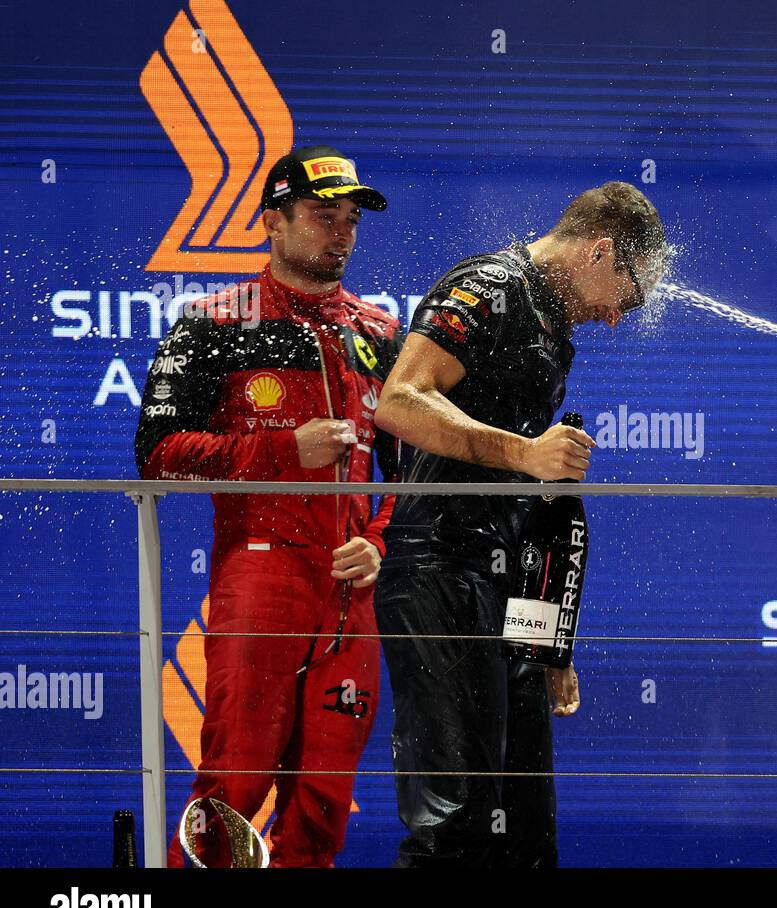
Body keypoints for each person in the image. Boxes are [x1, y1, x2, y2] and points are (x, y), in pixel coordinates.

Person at [374, 181, 668, 867]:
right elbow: (399, 400)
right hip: (440, 569)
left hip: (506, 587)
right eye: (625, 297)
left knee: (529, 830)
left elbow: (532, 510)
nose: (618, 319)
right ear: (601, 251)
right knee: (457, 823)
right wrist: (528, 453)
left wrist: (551, 648)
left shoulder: (554, 328)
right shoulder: (489, 284)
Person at [135, 146, 404, 867]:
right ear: (271, 223)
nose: (342, 232)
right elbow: (156, 454)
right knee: (232, 787)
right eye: (323, 216)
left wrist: (379, 539)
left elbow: (415, 470)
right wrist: (284, 451)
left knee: (322, 805)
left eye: (350, 219)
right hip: (260, 575)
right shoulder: (210, 322)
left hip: (355, 590)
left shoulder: (380, 333)